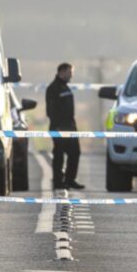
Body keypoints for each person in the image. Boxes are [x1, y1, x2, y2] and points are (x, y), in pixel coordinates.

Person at [47, 62, 84, 191]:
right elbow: (50, 110)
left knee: (75, 153)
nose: (71, 76)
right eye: (69, 73)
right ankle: (58, 181)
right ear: (62, 72)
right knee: (59, 155)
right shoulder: (53, 88)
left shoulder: (65, 87)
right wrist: (57, 126)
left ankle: (69, 179)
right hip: (59, 127)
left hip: (70, 127)